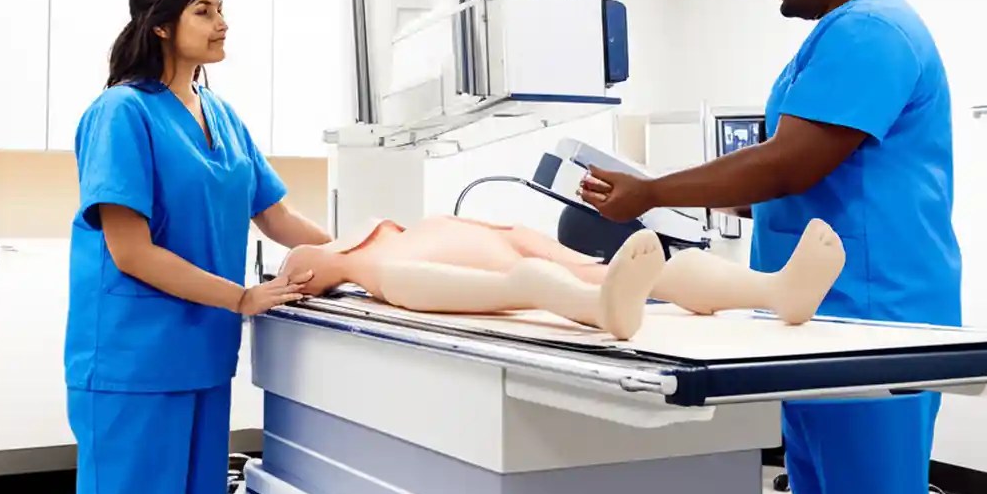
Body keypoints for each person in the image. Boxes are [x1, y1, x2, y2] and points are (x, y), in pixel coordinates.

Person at [577, 0, 960, 494]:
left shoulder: (873, 32)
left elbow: (788, 165)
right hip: (818, 318)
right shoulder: (839, 34)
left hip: (870, 317)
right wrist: (672, 201)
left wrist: (651, 192)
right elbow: (793, 182)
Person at [63, 0, 333, 494]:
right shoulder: (122, 111)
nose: (222, 23)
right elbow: (131, 252)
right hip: (134, 358)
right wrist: (241, 298)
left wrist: (354, 254)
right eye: (204, 11)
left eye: (221, 10)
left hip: (203, 353)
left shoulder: (222, 115)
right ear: (162, 25)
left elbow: (275, 215)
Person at [275, 214, 846, 337]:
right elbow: (297, 266)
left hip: (492, 240)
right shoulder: (368, 263)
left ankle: (778, 290)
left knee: (633, 269)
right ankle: (602, 310)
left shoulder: (381, 230)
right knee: (526, 281)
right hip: (411, 278)